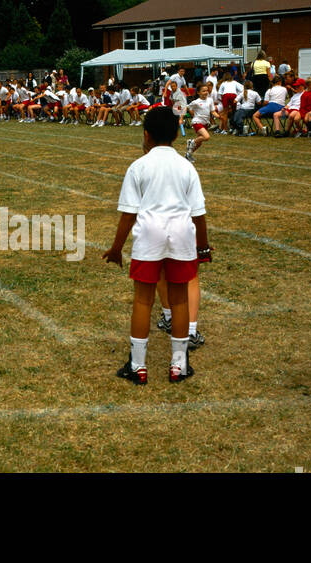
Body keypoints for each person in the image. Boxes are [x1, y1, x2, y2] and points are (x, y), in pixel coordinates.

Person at [102, 106, 210, 385]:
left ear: (146, 135)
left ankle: (138, 366)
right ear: (176, 134)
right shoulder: (186, 166)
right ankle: (179, 364)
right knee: (179, 299)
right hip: (182, 235)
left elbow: (128, 213)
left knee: (142, 300)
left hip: (148, 235)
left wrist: (116, 248)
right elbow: (198, 214)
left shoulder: (139, 166)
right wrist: (204, 246)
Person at [184, 84, 217, 162]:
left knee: (199, 143)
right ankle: (191, 141)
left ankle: (188, 155)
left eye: (207, 90)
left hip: (205, 123)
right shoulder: (196, 102)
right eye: (203, 91)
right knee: (206, 137)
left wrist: (219, 116)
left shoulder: (210, 100)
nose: (206, 92)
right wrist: (182, 117)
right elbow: (188, 107)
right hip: (197, 122)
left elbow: (212, 111)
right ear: (198, 92)